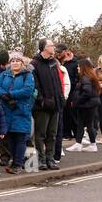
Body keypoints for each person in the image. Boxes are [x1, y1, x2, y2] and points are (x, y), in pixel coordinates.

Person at [0, 51, 35, 174]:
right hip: (6, 111)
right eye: (13, 61)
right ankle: (15, 160)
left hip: (20, 110)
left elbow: (27, 90)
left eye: (17, 60)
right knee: (9, 138)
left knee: (20, 138)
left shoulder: (28, 75)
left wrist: (10, 95)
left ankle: (18, 164)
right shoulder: (4, 75)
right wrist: (4, 96)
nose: (15, 63)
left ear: (22, 63)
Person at [30, 40, 63, 171]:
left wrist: (60, 98)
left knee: (52, 134)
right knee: (40, 134)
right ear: (43, 48)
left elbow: (58, 82)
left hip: (56, 104)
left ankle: (50, 159)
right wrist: (41, 100)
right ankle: (41, 159)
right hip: (42, 107)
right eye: (51, 45)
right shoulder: (34, 64)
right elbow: (34, 86)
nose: (53, 47)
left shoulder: (54, 63)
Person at [65, 58, 102, 153]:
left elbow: (87, 92)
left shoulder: (85, 78)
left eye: (79, 66)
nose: (77, 68)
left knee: (84, 125)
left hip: (86, 105)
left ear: (83, 67)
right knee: (85, 125)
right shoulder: (91, 77)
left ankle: (83, 144)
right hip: (91, 104)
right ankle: (85, 144)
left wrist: (77, 101)